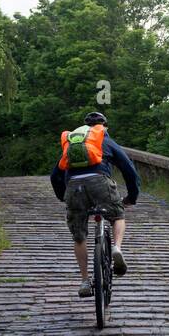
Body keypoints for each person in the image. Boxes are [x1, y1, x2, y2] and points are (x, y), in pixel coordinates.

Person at [49, 111, 140, 297]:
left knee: (79, 236)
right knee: (118, 216)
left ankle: (84, 281)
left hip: (74, 187)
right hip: (100, 182)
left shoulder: (74, 143)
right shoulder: (105, 139)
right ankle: (116, 248)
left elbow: (55, 175)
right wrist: (132, 196)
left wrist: (63, 196)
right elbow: (128, 169)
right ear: (104, 126)